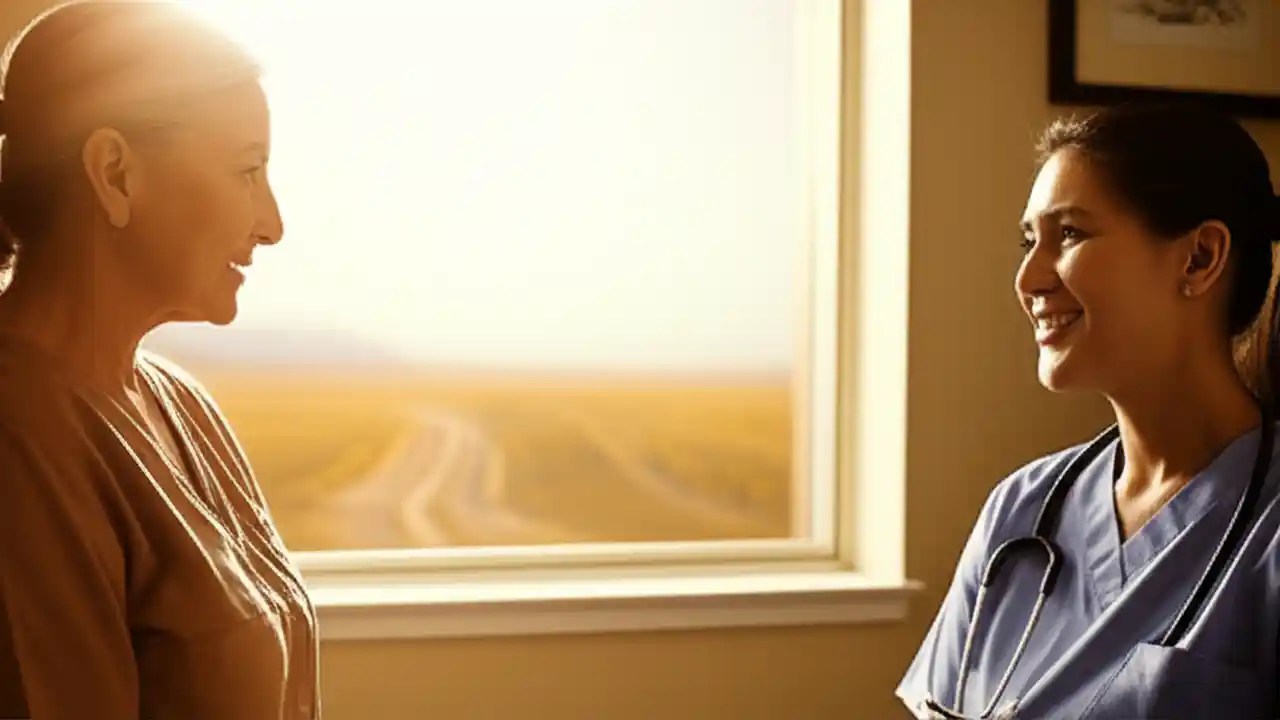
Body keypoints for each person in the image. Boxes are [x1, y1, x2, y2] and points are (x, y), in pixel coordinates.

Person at [896, 103, 1280, 719]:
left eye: (1069, 234)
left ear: (1199, 258)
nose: (1028, 277)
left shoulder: (1267, 531)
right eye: (1028, 241)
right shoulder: (1018, 512)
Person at [0, 2, 318, 718]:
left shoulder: (182, 405)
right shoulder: (17, 437)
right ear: (114, 172)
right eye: (247, 171)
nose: (271, 223)